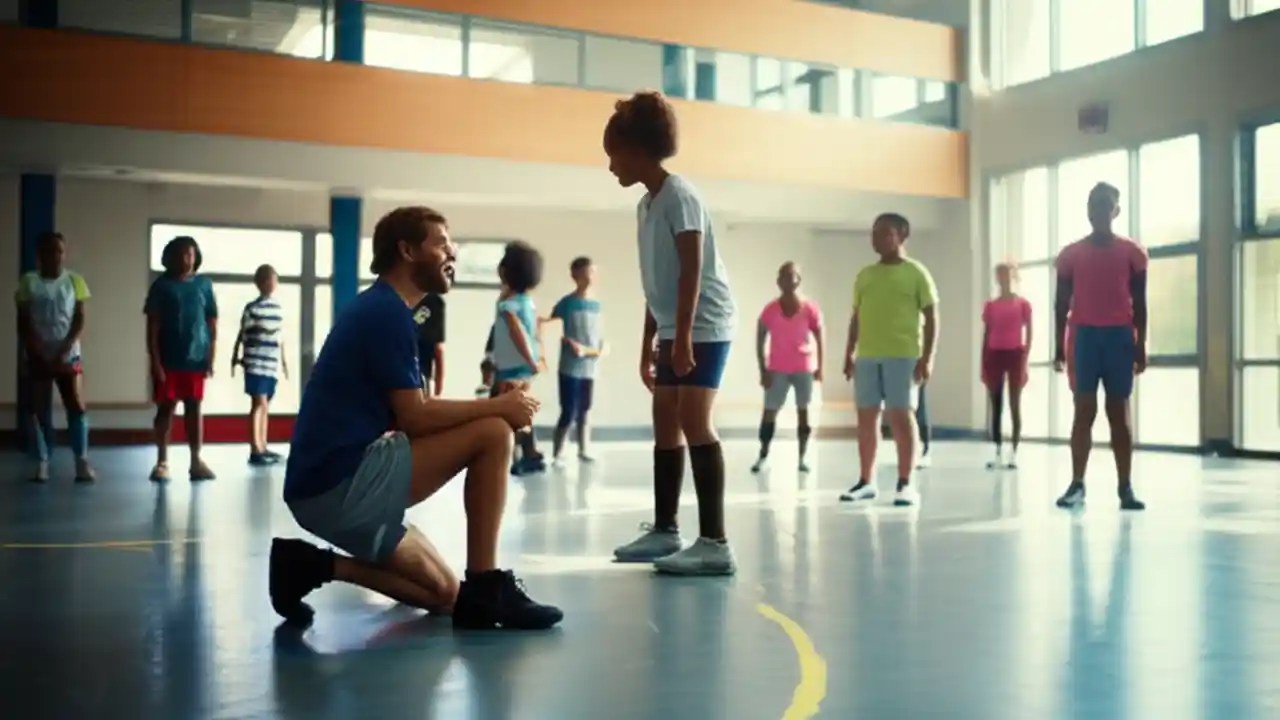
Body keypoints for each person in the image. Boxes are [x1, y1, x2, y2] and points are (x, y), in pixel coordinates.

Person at [269, 206, 562, 631]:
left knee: (443, 595)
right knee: (494, 433)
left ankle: (311, 566)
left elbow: (414, 410)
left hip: (323, 486)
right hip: (339, 484)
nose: (452, 253)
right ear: (407, 251)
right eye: (441, 243)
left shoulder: (384, 309)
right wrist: (498, 406)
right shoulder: (385, 312)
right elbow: (416, 417)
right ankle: (486, 587)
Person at [604, 91, 738, 576]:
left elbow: (690, 269)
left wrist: (680, 338)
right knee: (665, 415)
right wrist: (650, 343)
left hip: (705, 320)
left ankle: (715, 542)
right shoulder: (646, 205)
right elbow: (655, 281)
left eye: (613, 154)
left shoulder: (680, 195)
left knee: (693, 417)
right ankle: (666, 529)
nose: (610, 166)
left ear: (638, 148)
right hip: (674, 322)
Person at [1052, 183, 1147, 511]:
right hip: (1085, 338)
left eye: (1107, 204)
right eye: (1094, 204)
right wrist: (1058, 346)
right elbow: (1060, 304)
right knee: (1084, 411)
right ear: (1088, 210)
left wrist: (1141, 344)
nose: (1100, 210)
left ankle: (1125, 487)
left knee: (1119, 413)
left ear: (1116, 211)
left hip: (1120, 337)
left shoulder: (1132, 254)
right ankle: (1077, 484)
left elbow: (1140, 302)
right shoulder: (1070, 255)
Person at [840, 213, 937, 507]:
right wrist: (849, 353)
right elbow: (856, 317)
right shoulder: (865, 275)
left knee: (901, 417)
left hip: (903, 355)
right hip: (868, 356)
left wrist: (927, 358)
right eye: (874, 232)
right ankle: (866, 481)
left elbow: (932, 317)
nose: (877, 238)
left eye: (885, 233)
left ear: (901, 236)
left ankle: (906, 483)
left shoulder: (916, 272)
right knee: (866, 418)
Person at [15, 231, 95, 483]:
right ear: (40, 255)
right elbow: (23, 320)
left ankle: (81, 461)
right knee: (38, 408)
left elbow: (80, 318)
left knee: (76, 405)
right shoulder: (29, 281)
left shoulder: (75, 281)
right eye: (50, 251)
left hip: (67, 355)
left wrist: (65, 348)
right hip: (38, 354)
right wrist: (35, 348)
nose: (56, 256)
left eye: (60, 250)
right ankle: (43, 461)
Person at [145, 235, 217, 482]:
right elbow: (152, 327)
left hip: (196, 359)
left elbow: (211, 322)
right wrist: (155, 361)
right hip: (168, 359)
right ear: (170, 258)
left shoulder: (204, 285)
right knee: (166, 408)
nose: (186, 259)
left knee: (194, 407)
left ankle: (196, 460)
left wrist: (211, 356)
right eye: (181, 255)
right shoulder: (161, 286)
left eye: (190, 254)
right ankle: (162, 461)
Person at [751, 261, 824, 474]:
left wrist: (820, 367)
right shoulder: (771, 309)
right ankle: (763, 455)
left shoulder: (809, 307)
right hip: (777, 369)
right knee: (769, 412)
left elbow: (820, 335)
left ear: (798, 280)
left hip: (804, 368)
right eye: (783, 276)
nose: (787, 280)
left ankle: (803, 457)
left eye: (791, 276)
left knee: (805, 412)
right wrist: (763, 369)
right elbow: (760, 336)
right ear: (778, 281)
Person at [491, 242, 546, 476]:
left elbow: (518, 332)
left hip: (512, 367)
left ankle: (512, 457)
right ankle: (530, 453)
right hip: (522, 366)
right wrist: (538, 356)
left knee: (507, 413)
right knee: (519, 409)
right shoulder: (526, 301)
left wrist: (531, 358)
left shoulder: (508, 305)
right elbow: (534, 330)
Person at [546, 256, 605, 465]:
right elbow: (551, 328)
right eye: (586, 272)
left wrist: (601, 348)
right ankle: (558, 451)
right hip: (569, 366)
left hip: (590, 365)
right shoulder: (566, 303)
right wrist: (567, 342)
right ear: (575, 275)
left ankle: (583, 448)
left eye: (593, 272)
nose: (590, 277)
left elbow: (599, 334)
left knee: (585, 408)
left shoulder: (596, 305)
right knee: (568, 410)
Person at [232, 264, 287, 466]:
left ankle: (263, 444)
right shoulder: (252, 308)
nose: (273, 283)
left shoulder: (277, 308)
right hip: (256, 362)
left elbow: (280, 337)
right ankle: (255, 448)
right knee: (259, 403)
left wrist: (283, 362)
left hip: (270, 364)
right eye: (271, 279)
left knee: (265, 405)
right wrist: (240, 357)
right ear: (262, 283)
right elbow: (244, 334)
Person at [981, 262, 1032, 469]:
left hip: (1015, 355)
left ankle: (1014, 451)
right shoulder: (991, 306)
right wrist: (983, 363)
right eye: (1000, 275)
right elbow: (986, 334)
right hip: (994, 354)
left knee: (1014, 403)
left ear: (1015, 277)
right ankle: (997, 450)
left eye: (1008, 275)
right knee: (996, 404)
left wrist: (1025, 358)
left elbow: (1029, 332)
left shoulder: (1023, 304)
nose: (1004, 279)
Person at [415, 292, 446, 396]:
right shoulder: (433, 302)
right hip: (417, 380)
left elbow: (438, 351)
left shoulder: (432, 303)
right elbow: (438, 351)